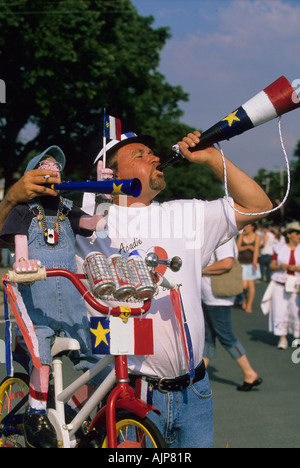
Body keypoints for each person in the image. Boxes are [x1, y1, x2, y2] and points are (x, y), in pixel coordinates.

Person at [76, 130, 272, 448]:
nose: (154, 156)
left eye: (152, 151)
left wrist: (211, 158)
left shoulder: (184, 214)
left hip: (195, 391)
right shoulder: (87, 231)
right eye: (139, 154)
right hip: (132, 394)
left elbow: (258, 206)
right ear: (110, 175)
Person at [0, 146, 107, 448]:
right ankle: (35, 414)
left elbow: (94, 223)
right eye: (44, 166)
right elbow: (20, 247)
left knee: (96, 357)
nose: (52, 170)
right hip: (38, 301)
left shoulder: (68, 208)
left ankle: (88, 412)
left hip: (73, 300)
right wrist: (22, 262)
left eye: (56, 167)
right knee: (42, 359)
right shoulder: (23, 210)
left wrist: (107, 203)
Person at [202, 238, 263, 391]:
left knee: (226, 336)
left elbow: (226, 263)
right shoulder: (218, 236)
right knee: (207, 338)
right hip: (209, 296)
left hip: (218, 298)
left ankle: (250, 373)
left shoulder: (223, 238)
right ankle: (199, 377)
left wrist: (199, 270)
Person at [269, 222, 300, 350]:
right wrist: (279, 267)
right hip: (280, 283)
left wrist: (297, 268)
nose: (299, 235)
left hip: (297, 285)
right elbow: (271, 265)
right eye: (297, 233)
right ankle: (282, 338)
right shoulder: (279, 248)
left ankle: (296, 336)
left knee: (295, 310)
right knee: (280, 310)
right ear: (289, 234)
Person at [237, 223, 261, 313]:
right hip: (242, 263)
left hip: (251, 264)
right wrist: (248, 247)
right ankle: (245, 298)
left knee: (251, 285)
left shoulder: (257, 236)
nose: (245, 227)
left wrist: (255, 262)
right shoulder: (241, 235)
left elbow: (256, 250)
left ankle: (249, 304)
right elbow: (238, 248)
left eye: (247, 226)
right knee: (244, 286)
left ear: (252, 227)